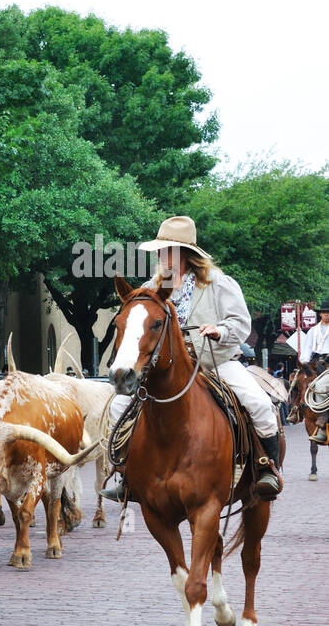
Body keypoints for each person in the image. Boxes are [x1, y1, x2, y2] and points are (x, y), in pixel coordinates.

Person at [101, 215, 283, 502]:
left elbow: (240, 322)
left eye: (169, 250)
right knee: (119, 405)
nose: (163, 256)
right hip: (167, 368)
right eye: (161, 251)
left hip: (214, 361)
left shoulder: (218, 283)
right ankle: (127, 475)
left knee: (257, 402)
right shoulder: (152, 286)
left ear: (186, 253)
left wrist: (219, 330)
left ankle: (266, 469)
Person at [299, 300, 329, 443]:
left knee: (321, 385)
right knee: (299, 380)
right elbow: (307, 347)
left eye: (328, 313)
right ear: (320, 314)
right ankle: (296, 410)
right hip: (314, 361)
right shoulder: (313, 330)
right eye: (324, 313)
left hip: (328, 362)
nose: (326, 315)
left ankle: (323, 418)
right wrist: (304, 361)